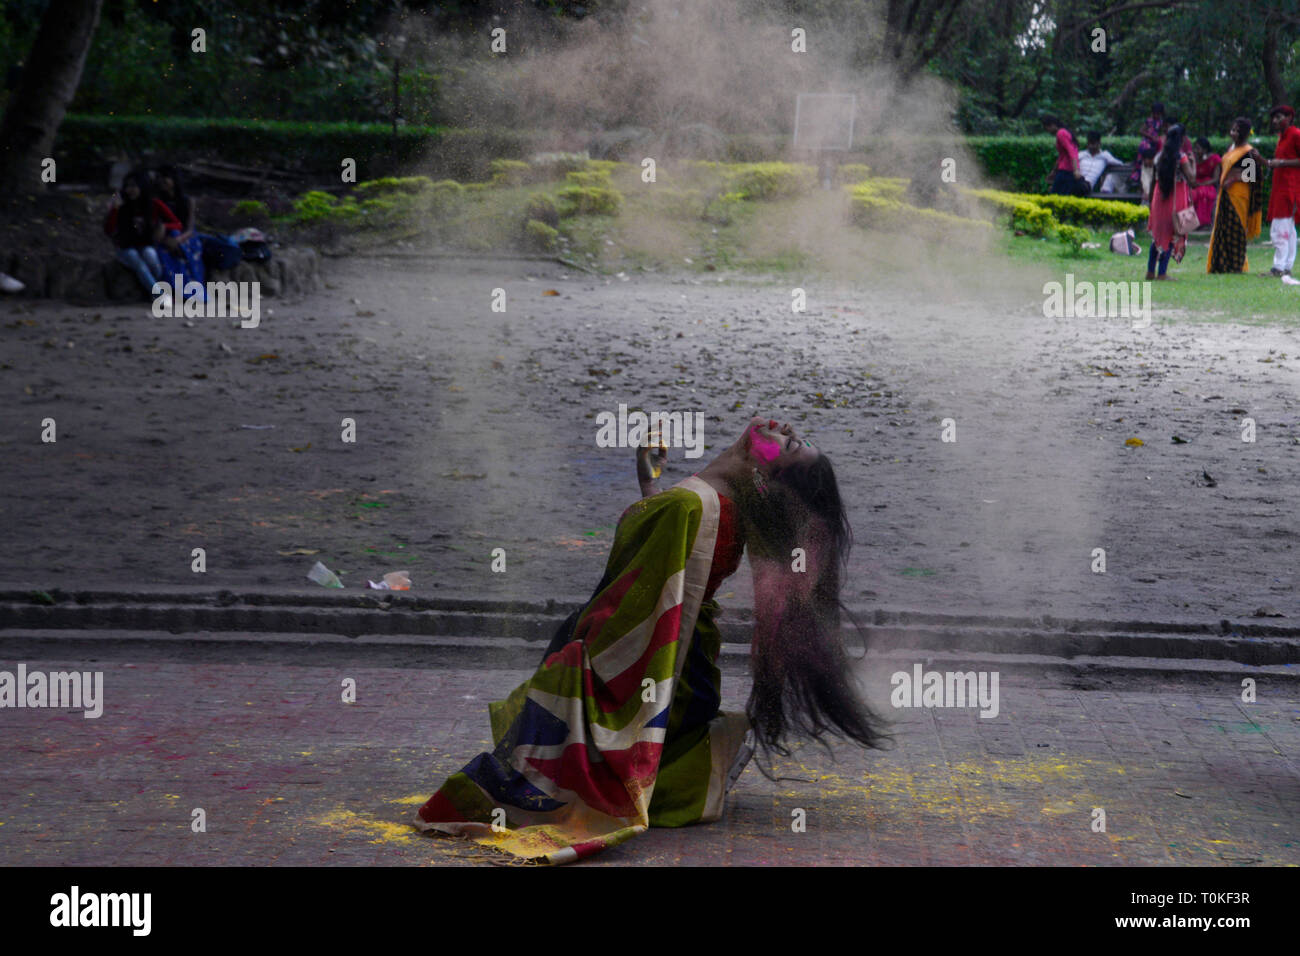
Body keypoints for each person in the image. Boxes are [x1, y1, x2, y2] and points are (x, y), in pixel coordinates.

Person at [413, 417, 890, 863]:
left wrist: (586, 655)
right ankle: (679, 774)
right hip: (688, 667)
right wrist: (648, 484)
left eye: (788, 444)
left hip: (669, 666)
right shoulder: (710, 503)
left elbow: (643, 584)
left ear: (765, 473)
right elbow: (661, 559)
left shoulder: (696, 504)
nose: (784, 429)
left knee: (564, 720)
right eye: (794, 434)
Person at [104, 170, 178, 303]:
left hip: (146, 245)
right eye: (127, 186)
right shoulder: (121, 206)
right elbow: (109, 231)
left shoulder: (154, 204)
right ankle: (159, 295)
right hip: (125, 247)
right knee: (136, 260)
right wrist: (114, 210)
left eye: (134, 186)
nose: (129, 190)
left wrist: (164, 227)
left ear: (142, 186)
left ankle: (149, 290)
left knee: (151, 257)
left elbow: (177, 223)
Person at [1207, 118, 1264, 274]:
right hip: (1225, 194)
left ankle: (1237, 265)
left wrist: (1233, 178)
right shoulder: (1230, 148)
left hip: (1239, 195)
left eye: (1236, 131)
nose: (1233, 133)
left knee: (1236, 230)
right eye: (1232, 130)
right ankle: (1219, 265)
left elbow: (1252, 175)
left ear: (1244, 134)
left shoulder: (1248, 152)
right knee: (1221, 229)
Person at [1145, 124, 1196, 280]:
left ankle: (1150, 271)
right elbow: (1192, 180)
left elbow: (1153, 181)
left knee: (1158, 236)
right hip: (1176, 198)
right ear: (1181, 139)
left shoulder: (1159, 157)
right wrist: (1194, 163)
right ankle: (1162, 273)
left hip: (1159, 199)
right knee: (1172, 235)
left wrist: (1150, 202)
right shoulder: (1181, 157)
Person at [153, 165, 206, 303]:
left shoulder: (187, 201)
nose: (162, 182)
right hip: (166, 238)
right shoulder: (157, 202)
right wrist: (167, 240)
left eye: (166, 179)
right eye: (160, 179)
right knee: (164, 253)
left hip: (186, 237)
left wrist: (178, 239)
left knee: (184, 250)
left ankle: (194, 292)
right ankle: (178, 292)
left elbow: (189, 228)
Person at [1265, 104, 1300, 277]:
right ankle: (1286, 265)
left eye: (1279, 117)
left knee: (1280, 228)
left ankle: (1279, 267)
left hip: (1290, 188)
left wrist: (1282, 163)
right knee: (1289, 229)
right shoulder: (1282, 137)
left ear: (1289, 118)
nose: (1275, 121)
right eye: (1274, 118)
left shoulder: (1295, 135)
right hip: (1280, 187)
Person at [1041, 115, 1083, 195]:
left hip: (1066, 171)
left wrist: (1076, 170)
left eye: (1047, 128)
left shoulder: (1061, 133)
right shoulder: (1064, 132)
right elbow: (1062, 155)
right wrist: (1054, 171)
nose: (1048, 131)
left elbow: (1072, 152)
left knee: (1056, 196)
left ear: (1052, 125)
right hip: (1064, 170)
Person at [1133, 102, 1166, 194]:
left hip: (1155, 143)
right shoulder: (1149, 121)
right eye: (1155, 113)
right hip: (1148, 141)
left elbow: (1163, 133)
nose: (1156, 115)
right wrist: (1151, 137)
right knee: (1143, 146)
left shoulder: (1162, 122)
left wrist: (1158, 138)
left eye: (1158, 113)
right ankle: (1138, 171)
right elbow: (1141, 131)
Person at [1190, 138, 1222, 227]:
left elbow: (1216, 178)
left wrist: (1201, 184)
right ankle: (1193, 223)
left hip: (1209, 184)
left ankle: (1203, 222)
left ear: (1205, 149)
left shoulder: (1215, 159)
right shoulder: (1192, 159)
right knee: (1192, 194)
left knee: (1202, 193)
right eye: (1194, 148)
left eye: (1198, 148)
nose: (1195, 151)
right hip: (1195, 183)